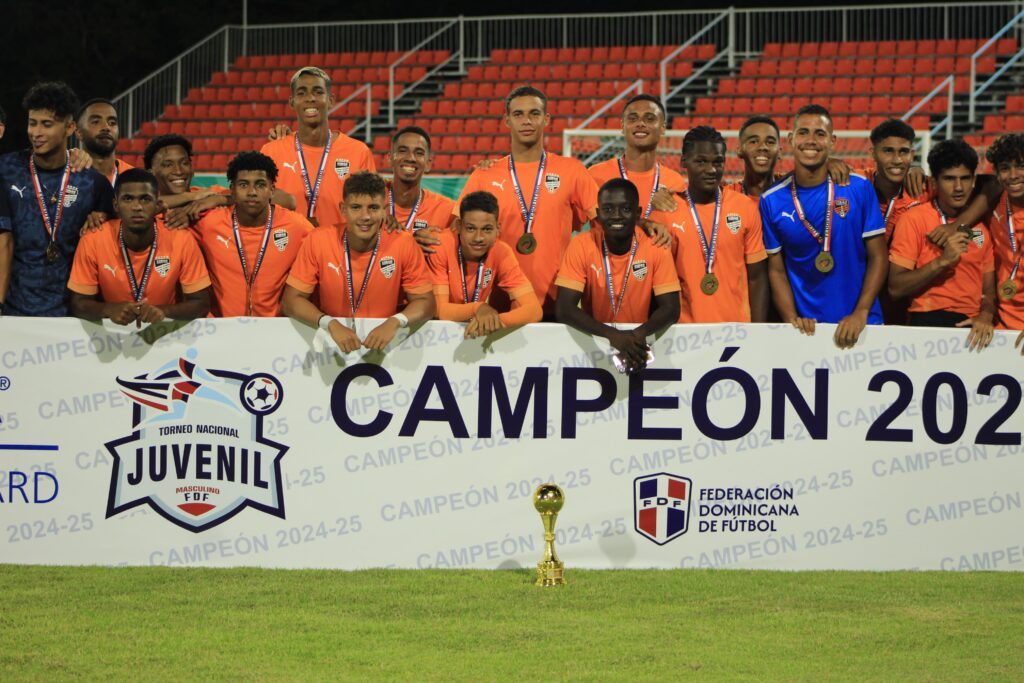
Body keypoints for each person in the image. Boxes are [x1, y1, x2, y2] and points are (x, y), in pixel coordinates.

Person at [457, 86, 603, 317]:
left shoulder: (572, 170)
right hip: (499, 300)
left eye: (534, 114)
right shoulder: (484, 175)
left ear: (546, 119)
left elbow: (604, 225)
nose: (526, 121)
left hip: (560, 299)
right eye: (518, 114)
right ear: (507, 121)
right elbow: (457, 232)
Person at [761, 104, 886, 348]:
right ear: (790, 139)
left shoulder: (859, 188)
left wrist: (861, 312)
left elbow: (879, 256)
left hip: (864, 325)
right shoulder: (771, 201)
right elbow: (775, 270)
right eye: (803, 132)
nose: (811, 141)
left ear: (832, 141)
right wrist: (791, 319)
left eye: (820, 134)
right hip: (808, 331)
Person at [283, 171, 434, 352]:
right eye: (356, 207)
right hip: (331, 345)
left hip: (386, 346)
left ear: (384, 210)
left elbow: (427, 302)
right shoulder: (319, 240)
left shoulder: (403, 242)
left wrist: (396, 321)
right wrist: (329, 323)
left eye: (373, 208)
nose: (365, 216)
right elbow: (291, 300)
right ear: (343, 209)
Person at [0, 81, 114, 317]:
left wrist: (100, 219)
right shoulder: (5, 169)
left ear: (70, 128)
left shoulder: (93, 183)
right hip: (12, 311)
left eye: (46, 124)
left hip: (69, 316)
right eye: (32, 123)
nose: (36, 133)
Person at [556, 178, 680, 373]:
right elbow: (564, 308)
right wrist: (613, 335)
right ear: (598, 214)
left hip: (641, 344)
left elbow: (671, 308)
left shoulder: (655, 246)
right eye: (608, 209)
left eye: (625, 209)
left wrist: (637, 335)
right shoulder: (581, 245)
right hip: (594, 342)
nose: (616, 216)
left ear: (638, 213)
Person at [649, 126, 768, 323]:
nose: (711, 170)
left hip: (737, 329)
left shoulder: (744, 207)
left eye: (718, 162)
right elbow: (656, 283)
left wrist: (758, 332)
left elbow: (757, 277)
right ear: (684, 161)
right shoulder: (665, 212)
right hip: (685, 333)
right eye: (701, 161)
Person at [888, 139, 995, 348]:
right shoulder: (914, 219)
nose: (958, 187)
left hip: (972, 328)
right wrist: (942, 262)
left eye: (965, 179)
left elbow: (989, 290)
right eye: (949, 179)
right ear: (934, 182)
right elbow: (895, 288)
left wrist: (986, 314)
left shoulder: (980, 229)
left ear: (974, 180)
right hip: (926, 323)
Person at [68, 169, 210, 324]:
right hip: (111, 338)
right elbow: (78, 303)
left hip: (162, 335)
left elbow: (201, 304)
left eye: (145, 199)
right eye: (128, 199)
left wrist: (163, 311)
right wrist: (109, 309)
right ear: (116, 205)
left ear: (158, 205)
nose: (137, 207)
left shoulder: (182, 239)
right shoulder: (93, 239)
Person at [189, 151, 312, 317]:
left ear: (272, 190)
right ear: (232, 189)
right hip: (222, 329)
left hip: (275, 329)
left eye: (260, 185)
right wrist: (184, 212)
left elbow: (323, 248)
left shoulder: (296, 226)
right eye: (243, 185)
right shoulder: (209, 223)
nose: (252, 192)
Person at [262, 66, 375, 229]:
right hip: (286, 248)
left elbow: (371, 209)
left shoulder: (358, 152)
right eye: (301, 93)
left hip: (338, 250)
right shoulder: (271, 151)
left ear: (330, 100)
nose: (310, 98)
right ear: (292, 101)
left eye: (318, 91)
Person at [431, 190, 541, 337]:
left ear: (498, 229)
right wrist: (478, 309)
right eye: (471, 228)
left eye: (487, 229)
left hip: (472, 330)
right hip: (433, 335)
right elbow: (439, 310)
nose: (478, 238)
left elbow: (534, 310)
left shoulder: (501, 252)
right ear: (458, 226)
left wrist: (492, 321)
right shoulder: (440, 245)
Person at [143, 135, 294, 228]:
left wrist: (221, 198)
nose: (178, 171)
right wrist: (191, 197)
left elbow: (288, 201)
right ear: (151, 174)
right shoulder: (138, 206)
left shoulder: (210, 195)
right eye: (168, 165)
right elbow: (149, 204)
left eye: (184, 163)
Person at [587, 95, 686, 217]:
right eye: (633, 119)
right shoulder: (595, 175)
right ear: (623, 126)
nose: (640, 123)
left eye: (649, 119)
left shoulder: (675, 182)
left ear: (663, 127)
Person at [386, 125, 455, 254]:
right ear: (390, 158)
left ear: (428, 163)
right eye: (402, 150)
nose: (410, 158)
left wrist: (442, 238)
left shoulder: (447, 210)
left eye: (419, 153)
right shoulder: (372, 202)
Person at [985, 133, 1024, 331]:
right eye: (1005, 168)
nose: (1014, 175)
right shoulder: (993, 203)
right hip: (998, 325)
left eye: (1021, 166)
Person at [76, 98, 133, 186]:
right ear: (79, 133)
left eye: (112, 123)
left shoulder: (132, 177)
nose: (106, 127)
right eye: (96, 122)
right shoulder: (66, 176)